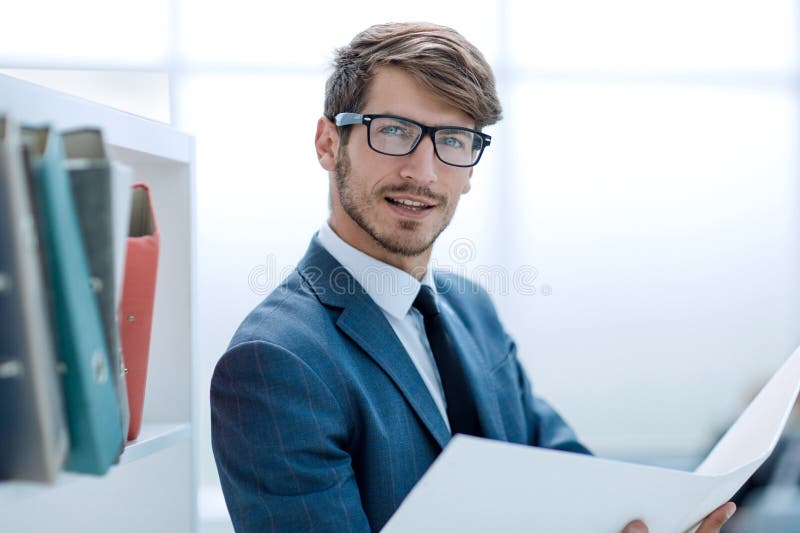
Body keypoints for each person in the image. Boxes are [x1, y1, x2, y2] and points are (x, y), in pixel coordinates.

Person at [210, 21, 735, 533]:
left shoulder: (472, 310)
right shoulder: (273, 361)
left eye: (454, 140)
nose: (424, 171)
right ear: (329, 143)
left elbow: (567, 476)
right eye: (393, 131)